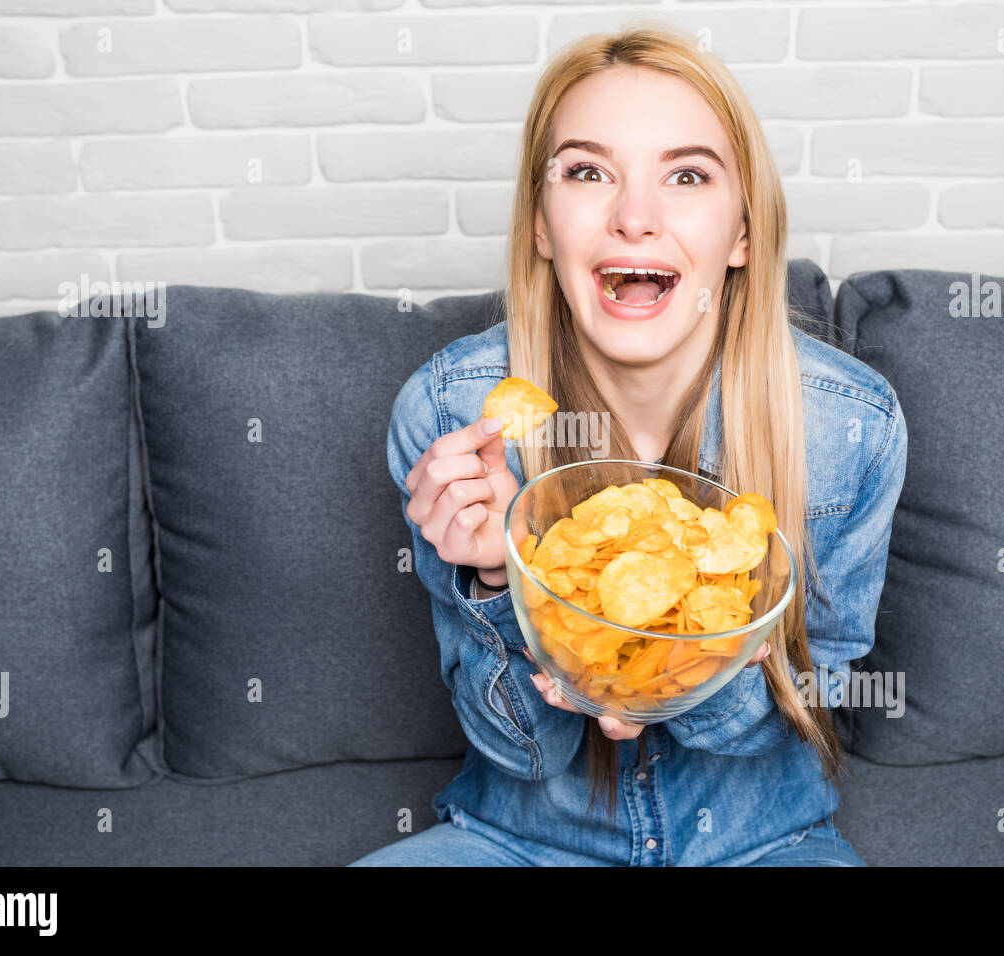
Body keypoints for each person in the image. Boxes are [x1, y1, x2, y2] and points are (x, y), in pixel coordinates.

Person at [349, 25, 906, 867]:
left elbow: (813, 706)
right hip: (520, 841)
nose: (635, 217)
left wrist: (691, 679)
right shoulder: (454, 415)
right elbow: (521, 752)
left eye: (686, 176)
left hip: (766, 843)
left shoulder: (850, 425)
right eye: (587, 172)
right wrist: (501, 577)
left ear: (744, 234)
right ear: (541, 225)